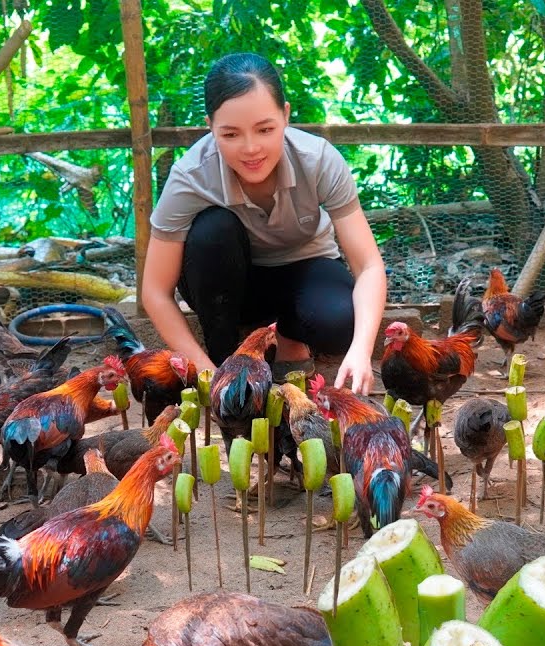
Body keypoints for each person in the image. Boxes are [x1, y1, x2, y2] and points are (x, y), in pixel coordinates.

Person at [141, 52, 386, 394]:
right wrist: (205, 371)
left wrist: (361, 349)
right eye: (230, 134)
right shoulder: (190, 175)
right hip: (231, 285)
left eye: (265, 129)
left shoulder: (318, 159)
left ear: (285, 116)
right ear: (210, 126)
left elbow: (369, 264)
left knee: (341, 322)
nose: (251, 148)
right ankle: (226, 360)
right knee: (213, 232)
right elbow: (155, 290)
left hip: (304, 269)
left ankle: (288, 336)